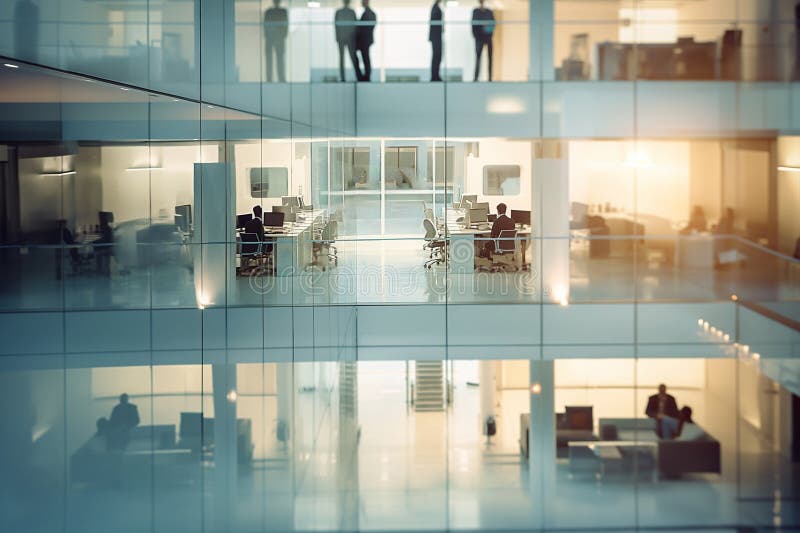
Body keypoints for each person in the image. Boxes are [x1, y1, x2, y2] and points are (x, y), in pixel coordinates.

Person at [335, 0, 361, 82]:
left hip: (347, 38)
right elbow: (336, 26)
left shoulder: (343, 12)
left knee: (350, 58)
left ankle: (354, 76)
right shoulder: (344, 12)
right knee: (345, 58)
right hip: (345, 38)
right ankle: (347, 77)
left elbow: (355, 26)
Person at [264, 0, 289, 83]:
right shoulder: (269, 12)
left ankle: (279, 78)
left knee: (279, 58)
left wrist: (283, 35)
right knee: (270, 59)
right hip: (272, 37)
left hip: (278, 37)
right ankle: (270, 78)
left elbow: (285, 25)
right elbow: (265, 26)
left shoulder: (282, 11)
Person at [471, 0, 495, 82]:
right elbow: (474, 25)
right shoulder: (476, 11)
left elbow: (492, 24)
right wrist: (481, 29)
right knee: (478, 58)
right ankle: (476, 77)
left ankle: (490, 78)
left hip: (488, 37)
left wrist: (486, 28)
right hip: (479, 38)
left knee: (490, 57)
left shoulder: (489, 12)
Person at [355, 0, 376, 82]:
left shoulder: (369, 13)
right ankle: (365, 76)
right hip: (364, 41)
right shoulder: (368, 13)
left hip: (365, 41)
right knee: (365, 58)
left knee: (366, 58)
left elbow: (367, 28)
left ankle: (366, 76)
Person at [429, 0, 444, 82]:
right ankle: (435, 76)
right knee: (436, 56)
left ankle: (436, 75)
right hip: (436, 37)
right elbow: (435, 23)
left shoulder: (436, 7)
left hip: (436, 36)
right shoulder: (435, 8)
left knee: (437, 56)